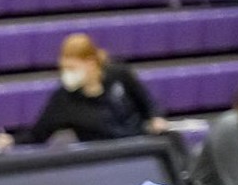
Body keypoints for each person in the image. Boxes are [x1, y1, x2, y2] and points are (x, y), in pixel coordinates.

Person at [21, 34, 165, 145]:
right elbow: (37, 134)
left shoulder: (120, 75)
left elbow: (147, 103)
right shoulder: (62, 98)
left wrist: (156, 118)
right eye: (64, 69)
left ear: (90, 63)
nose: (67, 74)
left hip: (139, 147)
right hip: (103, 159)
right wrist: (14, 141)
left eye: (72, 68)